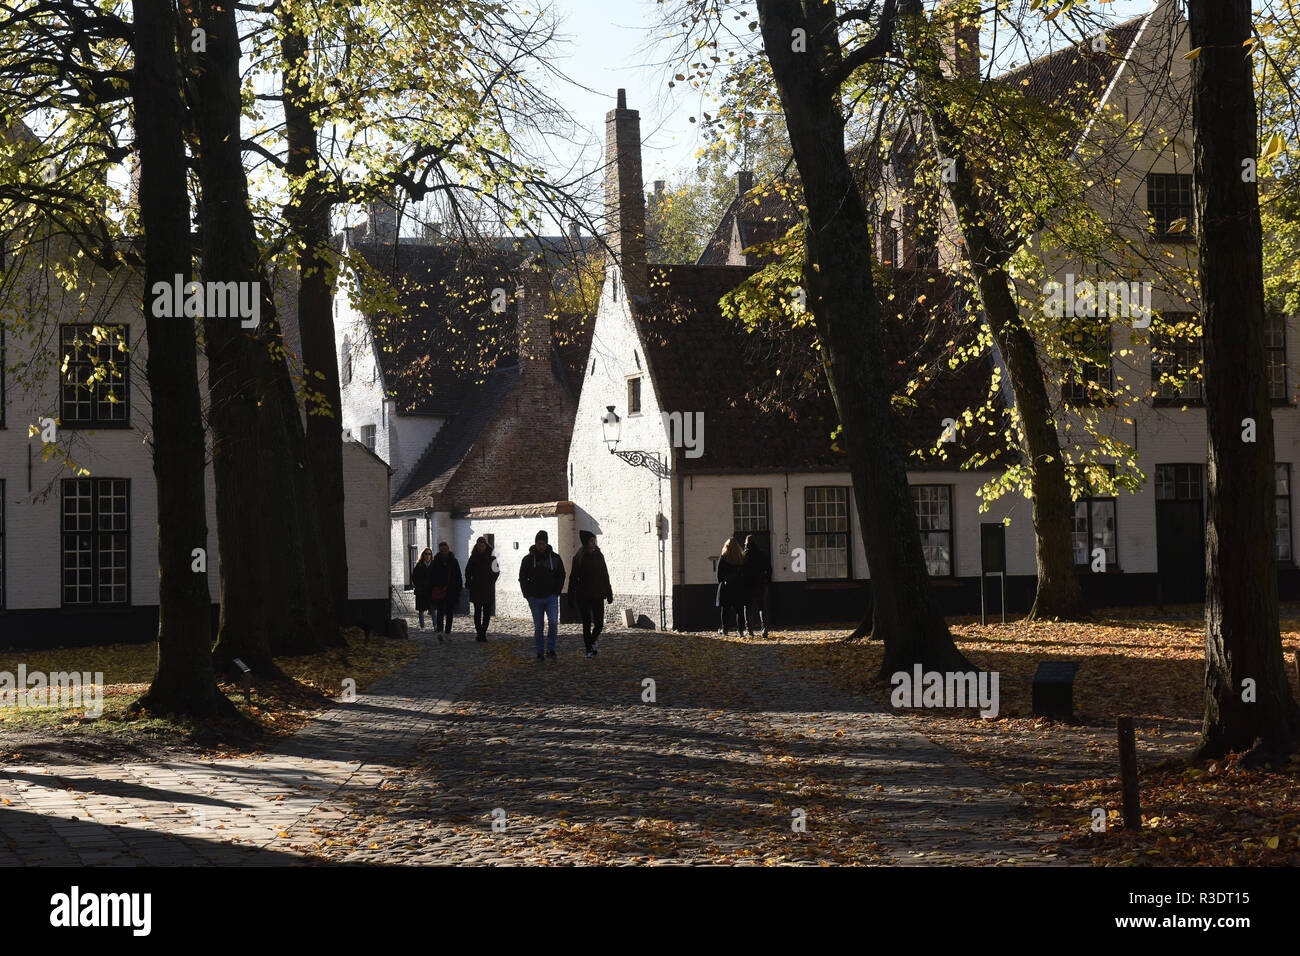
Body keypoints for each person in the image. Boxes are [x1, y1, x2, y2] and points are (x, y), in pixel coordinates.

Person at [519, 529, 566, 661]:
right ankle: (540, 652)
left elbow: (561, 575)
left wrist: (557, 591)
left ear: (546, 544)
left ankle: (551, 649)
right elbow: (522, 578)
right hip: (535, 598)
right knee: (539, 626)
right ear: (535, 543)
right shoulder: (528, 560)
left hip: (551, 596)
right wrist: (527, 595)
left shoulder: (555, 558)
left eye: (543, 543)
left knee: (553, 623)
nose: (541, 546)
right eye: (539, 543)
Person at [568, 530, 613, 659]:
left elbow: (605, 574)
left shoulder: (599, 555)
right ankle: (588, 649)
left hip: (598, 594)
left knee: (599, 624)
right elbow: (573, 578)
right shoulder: (579, 557)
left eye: (594, 540)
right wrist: (571, 596)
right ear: (586, 543)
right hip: (583, 595)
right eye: (591, 541)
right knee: (586, 623)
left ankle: (592, 641)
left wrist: (609, 592)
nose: (594, 543)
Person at [464, 536, 499, 642]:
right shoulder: (473, 558)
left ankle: (483, 632)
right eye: (479, 546)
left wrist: (491, 581)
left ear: (485, 546)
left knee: (487, 612)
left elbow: (496, 572)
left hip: (488, 588)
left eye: (482, 546)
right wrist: (470, 582)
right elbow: (467, 572)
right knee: (477, 612)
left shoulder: (492, 558)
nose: (481, 548)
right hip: (476, 588)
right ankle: (479, 633)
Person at [430, 541, 462, 641]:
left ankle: (447, 632)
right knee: (440, 612)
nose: (444, 552)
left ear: (448, 549)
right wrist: (434, 587)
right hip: (439, 590)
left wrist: (458, 589)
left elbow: (458, 576)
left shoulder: (454, 561)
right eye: (442, 550)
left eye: (445, 550)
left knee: (449, 613)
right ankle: (440, 631)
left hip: (451, 591)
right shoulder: (436, 561)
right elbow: (432, 575)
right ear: (440, 551)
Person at [742, 534, 773, 639]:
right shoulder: (762, 554)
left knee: (748, 608)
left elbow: (740, 571)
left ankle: (749, 630)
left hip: (748, 585)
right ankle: (765, 629)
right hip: (760, 584)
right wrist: (767, 580)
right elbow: (769, 569)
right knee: (762, 607)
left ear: (746, 543)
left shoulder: (744, 555)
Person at [716, 537, 746, 636]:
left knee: (725, 610)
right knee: (739, 610)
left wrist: (722, 582)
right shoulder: (741, 557)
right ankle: (741, 631)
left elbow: (719, 574)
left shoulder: (724, 557)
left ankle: (725, 630)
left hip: (726, 587)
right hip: (739, 587)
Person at [411, 547, 434, 630]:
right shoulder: (419, 565)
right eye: (426, 554)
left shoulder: (434, 565)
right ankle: (422, 626)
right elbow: (414, 577)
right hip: (421, 591)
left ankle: (435, 626)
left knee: (433, 609)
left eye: (429, 554)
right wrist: (419, 586)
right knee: (421, 610)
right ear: (423, 555)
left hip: (431, 591)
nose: (428, 555)